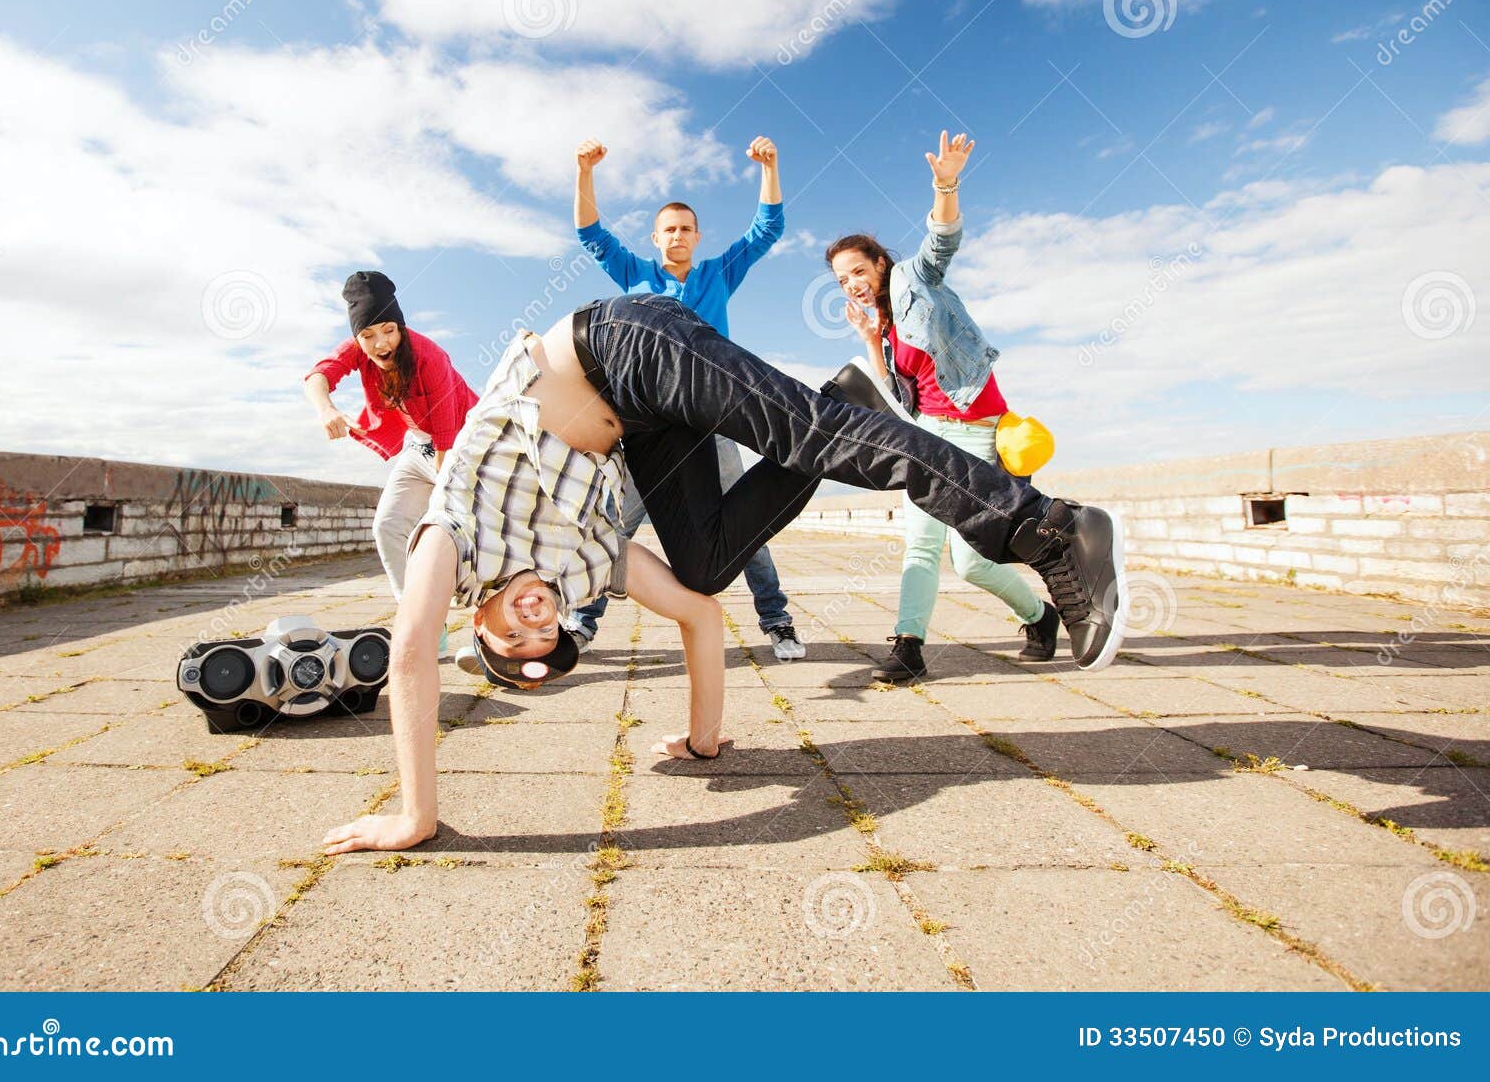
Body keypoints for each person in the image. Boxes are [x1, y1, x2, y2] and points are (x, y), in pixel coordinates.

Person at [320, 247, 1126, 853]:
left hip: (621, 346)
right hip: (643, 423)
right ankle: (842, 399)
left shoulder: (453, 548)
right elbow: (701, 619)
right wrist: (704, 740)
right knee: (704, 564)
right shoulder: (586, 567)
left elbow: (410, 653)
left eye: (514, 636)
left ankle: (1047, 527)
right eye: (547, 635)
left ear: (483, 625)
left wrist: (415, 813)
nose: (535, 623)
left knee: (818, 438)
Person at [565, 134, 805, 662]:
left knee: (741, 523)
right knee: (615, 522)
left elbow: (768, 230)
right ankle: (581, 622)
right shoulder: (638, 276)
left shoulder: (718, 274)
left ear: (697, 236)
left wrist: (770, 164)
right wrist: (585, 172)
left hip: (711, 417)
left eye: (685, 229)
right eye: (668, 229)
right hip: (649, 425)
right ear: (656, 238)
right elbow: (590, 234)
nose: (677, 235)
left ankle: (776, 619)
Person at [829, 132, 1057, 681]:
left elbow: (942, 239)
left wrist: (945, 184)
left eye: (858, 270)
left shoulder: (913, 277)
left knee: (972, 559)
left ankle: (1041, 616)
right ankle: (908, 646)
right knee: (922, 546)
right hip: (929, 430)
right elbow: (893, 393)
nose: (853, 284)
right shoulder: (881, 326)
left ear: (880, 263)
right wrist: (868, 338)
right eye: (842, 280)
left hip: (976, 423)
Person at [303, 271, 478, 658]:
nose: (380, 343)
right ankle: (423, 626)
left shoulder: (430, 356)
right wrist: (326, 409)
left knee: (467, 533)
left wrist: (442, 506)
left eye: (388, 330)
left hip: (467, 447)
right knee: (388, 527)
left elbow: (448, 436)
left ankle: (498, 622)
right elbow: (317, 376)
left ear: (399, 325)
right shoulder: (357, 349)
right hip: (419, 448)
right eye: (368, 336)